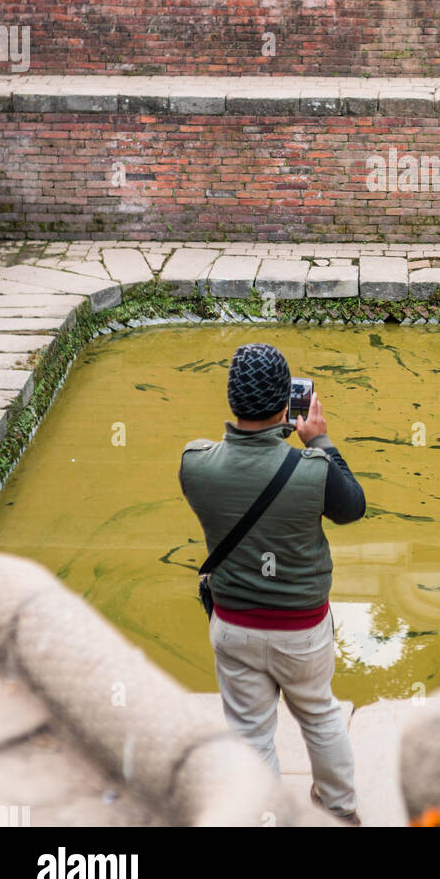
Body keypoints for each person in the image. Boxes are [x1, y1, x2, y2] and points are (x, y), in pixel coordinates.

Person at [179, 342, 366, 825]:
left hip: (234, 626)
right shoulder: (312, 471)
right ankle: (339, 810)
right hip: (302, 630)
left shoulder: (195, 464)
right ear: (288, 405)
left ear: (231, 401)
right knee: (321, 716)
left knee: (249, 732)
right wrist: (318, 440)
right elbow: (353, 507)